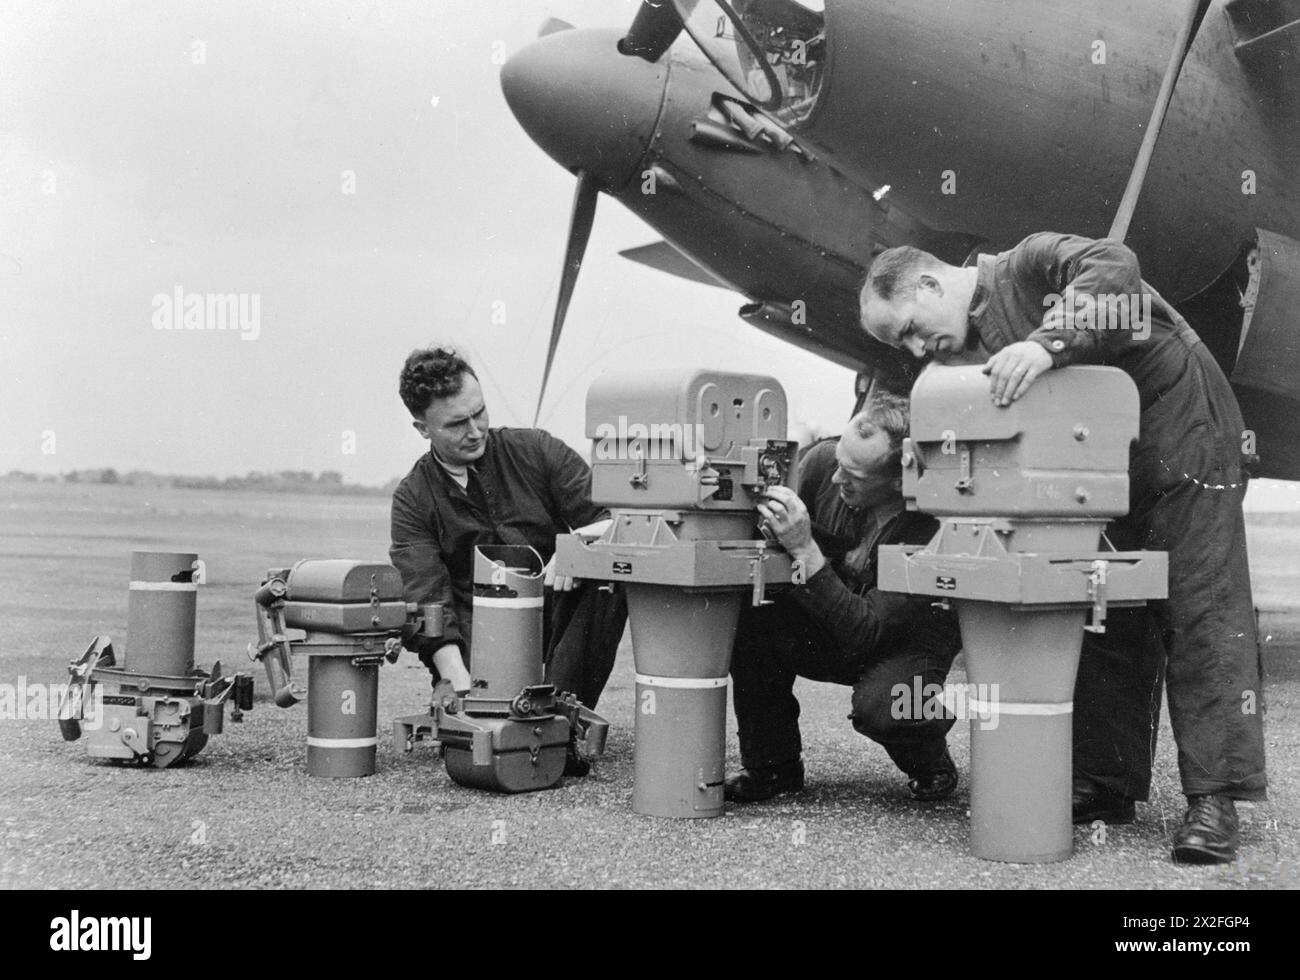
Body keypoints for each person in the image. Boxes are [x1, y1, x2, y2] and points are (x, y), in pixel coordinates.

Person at [859, 232, 1266, 863]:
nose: (915, 348)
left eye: (911, 328)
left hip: (1183, 431)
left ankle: (1215, 800)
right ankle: (1104, 783)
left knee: (1202, 606)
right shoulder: (973, 338)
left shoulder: (1028, 264)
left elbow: (1115, 264)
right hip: (1098, 458)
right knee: (1091, 594)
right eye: (901, 344)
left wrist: (1046, 343)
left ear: (931, 284)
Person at [388, 346, 627, 772]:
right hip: (478, 647)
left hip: (557, 617)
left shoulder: (536, 450)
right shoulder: (412, 499)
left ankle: (561, 723)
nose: (476, 430)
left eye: (479, 413)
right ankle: (488, 714)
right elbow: (427, 601)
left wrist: (577, 552)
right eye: (457, 423)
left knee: (610, 575)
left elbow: (614, 516)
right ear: (422, 428)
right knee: (487, 748)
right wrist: (458, 686)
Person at [726, 394, 963, 803]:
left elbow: (866, 633)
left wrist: (805, 549)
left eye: (853, 474)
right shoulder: (822, 462)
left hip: (904, 642)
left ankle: (930, 756)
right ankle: (773, 766)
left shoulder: (930, 526)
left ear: (898, 480)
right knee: (752, 620)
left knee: (885, 708)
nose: (836, 479)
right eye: (838, 462)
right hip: (835, 616)